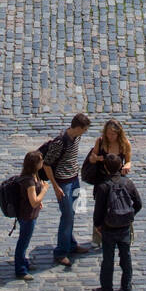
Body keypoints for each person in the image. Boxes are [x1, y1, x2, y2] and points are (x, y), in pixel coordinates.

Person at [40, 113, 93, 266]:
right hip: (63, 183)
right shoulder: (60, 142)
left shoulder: (77, 137)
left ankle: (71, 244)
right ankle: (60, 252)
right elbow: (47, 164)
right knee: (67, 215)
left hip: (74, 179)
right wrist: (56, 187)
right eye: (84, 129)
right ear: (78, 128)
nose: (85, 132)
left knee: (74, 212)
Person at [90, 154, 142, 291]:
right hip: (124, 226)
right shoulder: (128, 183)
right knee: (126, 256)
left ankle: (107, 288)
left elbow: (98, 210)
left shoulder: (103, 186)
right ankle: (126, 285)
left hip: (109, 227)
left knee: (108, 258)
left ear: (105, 167)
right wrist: (129, 217)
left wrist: (98, 225)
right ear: (120, 166)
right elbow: (138, 204)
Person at [13, 151, 49, 280]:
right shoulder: (29, 181)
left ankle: (24, 263)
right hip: (27, 216)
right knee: (23, 242)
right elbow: (33, 202)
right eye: (41, 160)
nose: (42, 162)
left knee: (25, 241)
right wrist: (44, 190)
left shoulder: (33, 176)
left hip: (30, 214)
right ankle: (20, 270)